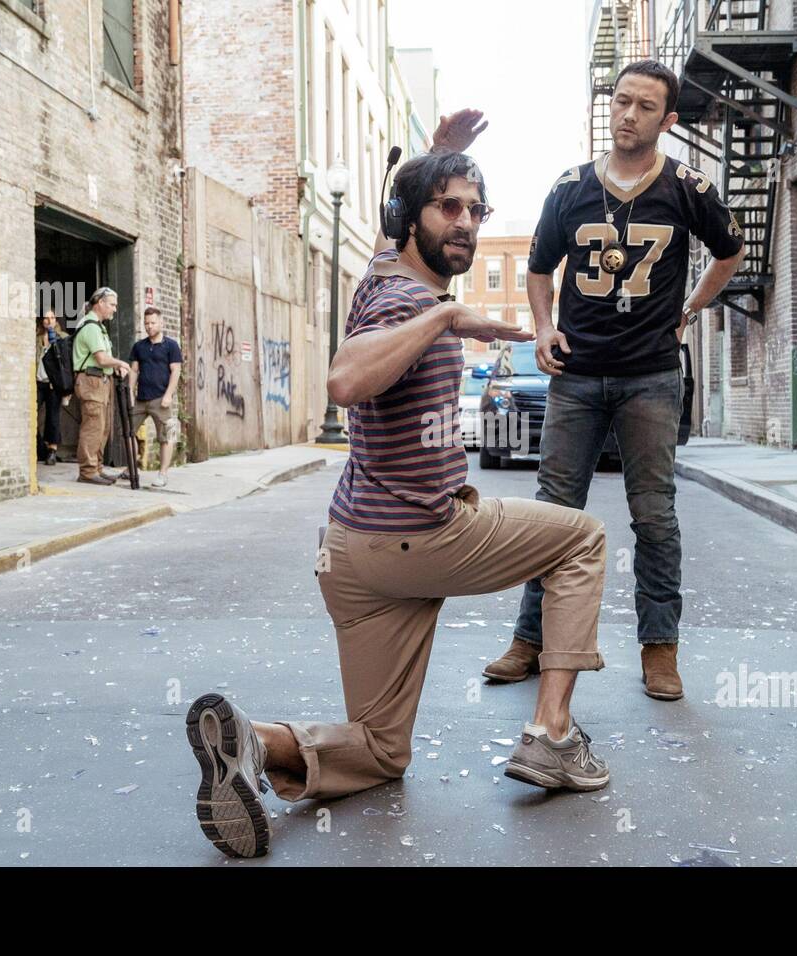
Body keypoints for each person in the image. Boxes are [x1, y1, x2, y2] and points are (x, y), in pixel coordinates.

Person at [186, 117, 614, 860]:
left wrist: (430, 155)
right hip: (420, 536)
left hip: (354, 555)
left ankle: (253, 744)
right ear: (410, 218)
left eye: (476, 211)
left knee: (383, 751)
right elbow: (347, 378)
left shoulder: (384, 270)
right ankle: (551, 736)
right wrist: (449, 315)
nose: (467, 223)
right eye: (448, 207)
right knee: (581, 537)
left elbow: (395, 240)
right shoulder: (409, 303)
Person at [484, 60, 746, 701]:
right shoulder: (570, 187)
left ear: (667, 120)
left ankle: (660, 649)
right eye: (621, 101)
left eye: (644, 106)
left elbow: (731, 251)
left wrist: (691, 308)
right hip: (576, 377)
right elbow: (540, 268)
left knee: (654, 517)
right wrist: (543, 328)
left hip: (651, 378)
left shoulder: (689, 187)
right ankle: (530, 640)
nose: (627, 114)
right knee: (552, 512)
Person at [70, 287, 131, 486]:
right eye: (112, 304)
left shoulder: (99, 327)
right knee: (93, 427)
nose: (114, 309)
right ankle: (87, 472)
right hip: (91, 381)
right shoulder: (91, 327)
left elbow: (103, 361)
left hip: (101, 381)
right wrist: (120, 364)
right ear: (100, 303)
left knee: (102, 428)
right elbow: (101, 358)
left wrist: (114, 369)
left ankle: (96, 468)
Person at [127, 306, 182, 488]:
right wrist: (130, 392)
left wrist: (168, 395)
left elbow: (176, 371)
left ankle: (163, 474)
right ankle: (131, 468)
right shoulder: (139, 347)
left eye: (153, 323)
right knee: (128, 432)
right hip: (141, 399)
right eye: (147, 323)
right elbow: (134, 371)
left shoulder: (171, 346)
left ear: (161, 323)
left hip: (161, 399)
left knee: (165, 437)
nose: (149, 326)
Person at [35, 310, 67, 466]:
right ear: (42, 321)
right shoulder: (36, 339)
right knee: (32, 415)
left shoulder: (63, 338)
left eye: (52, 317)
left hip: (54, 384)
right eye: (46, 318)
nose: (49, 321)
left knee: (53, 417)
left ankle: (52, 451)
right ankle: (39, 447)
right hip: (38, 381)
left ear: (56, 320)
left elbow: (66, 364)